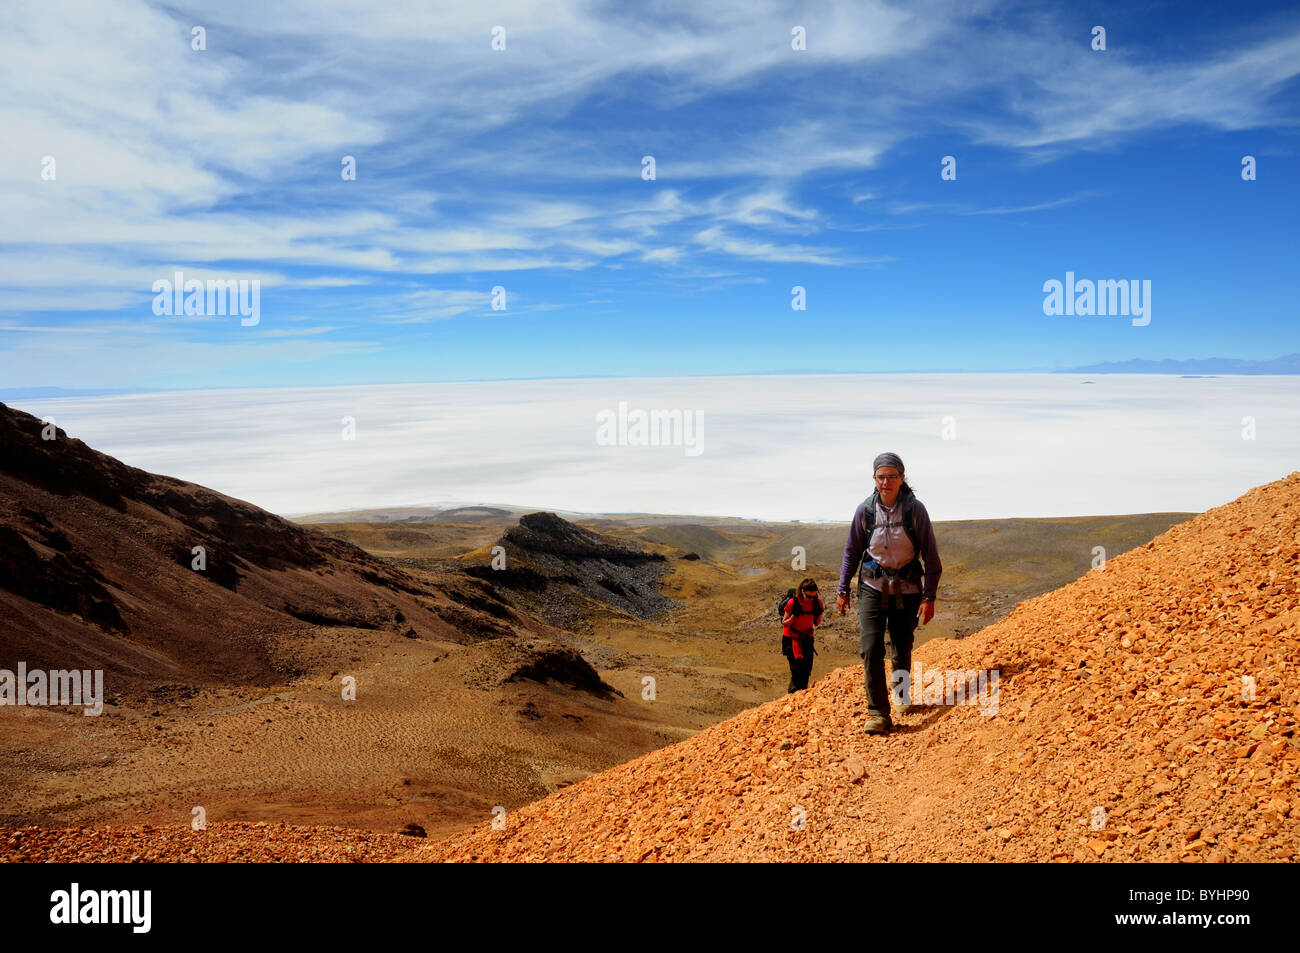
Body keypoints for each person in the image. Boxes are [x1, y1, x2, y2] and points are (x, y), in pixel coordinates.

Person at [835, 453, 942, 734]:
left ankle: (902, 692)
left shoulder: (914, 510)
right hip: (872, 586)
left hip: (907, 589)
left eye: (892, 476)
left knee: (902, 643)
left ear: (902, 478)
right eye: (881, 477)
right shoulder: (865, 511)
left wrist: (929, 597)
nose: (886, 482)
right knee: (871, 648)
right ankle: (878, 713)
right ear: (874, 479)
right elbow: (851, 552)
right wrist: (842, 588)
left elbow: (931, 556)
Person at [781, 578, 823, 693]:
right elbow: (784, 623)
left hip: (807, 639)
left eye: (814, 596)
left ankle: (802, 696)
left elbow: (817, 623)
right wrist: (795, 615)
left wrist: (818, 613)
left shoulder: (816, 603)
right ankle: (793, 697)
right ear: (802, 592)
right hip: (792, 640)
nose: (811, 599)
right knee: (796, 671)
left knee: (806, 670)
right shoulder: (793, 603)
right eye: (809, 597)